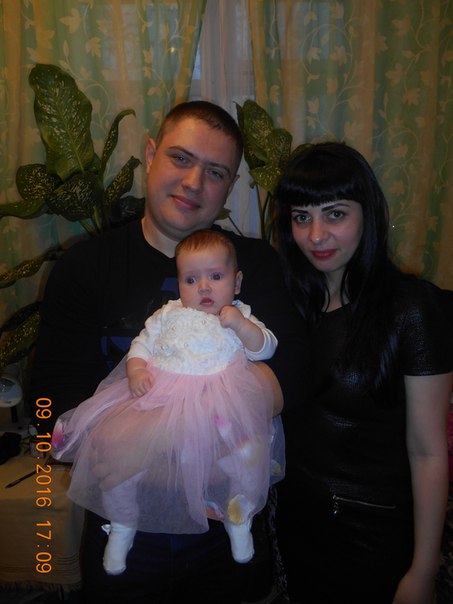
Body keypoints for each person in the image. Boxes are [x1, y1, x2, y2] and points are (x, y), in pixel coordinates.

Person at [29, 100, 308, 604]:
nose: (194, 182)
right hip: (122, 532)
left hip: (226, 533)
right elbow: (48, 399)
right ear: (152, 153)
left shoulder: (257, 267)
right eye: (181, 158)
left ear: (230, 185)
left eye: (215, 172)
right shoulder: (85, 267)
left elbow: (294, 373)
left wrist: (159, 453)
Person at [274, 141, 453, 604]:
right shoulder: (290, 305)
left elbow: (429, 451)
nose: (316, 235)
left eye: (335, 214)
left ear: (368, 215)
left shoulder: (410, 309)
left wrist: (423, 571)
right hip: (296, 524)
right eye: (301, 217)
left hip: (373, 533)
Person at [51, 229, 285, 576]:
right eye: (191, 279)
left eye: (215, 277)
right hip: (162, 401)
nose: (203, 287)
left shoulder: (241, 315)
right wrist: (135, 370)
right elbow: (142, 344)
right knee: (119, 457)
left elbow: (266, 347)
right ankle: (122, 523)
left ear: (236, 282)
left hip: (219, 405)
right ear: (179, 284)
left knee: (244, 459)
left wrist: (241, 326)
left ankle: (238, 518)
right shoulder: (168, 314)